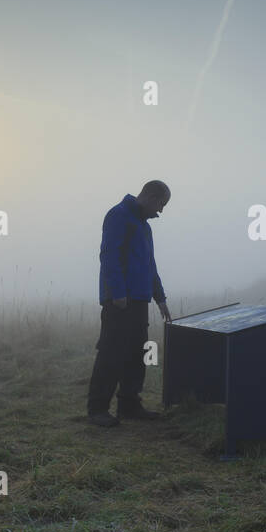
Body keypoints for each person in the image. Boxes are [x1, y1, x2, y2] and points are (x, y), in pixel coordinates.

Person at [87, 181, 173, 427]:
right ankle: (97, 410)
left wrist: (160, 298)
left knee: (138, 354)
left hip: (139, 299)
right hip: (120, 301)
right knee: (112, 353)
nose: (161, 211)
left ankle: (129, 406)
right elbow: (109, 254)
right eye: (161, 204)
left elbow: (150, 265)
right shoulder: (118, 215)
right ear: (150, 196)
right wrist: (117, 292)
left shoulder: (144, 227)